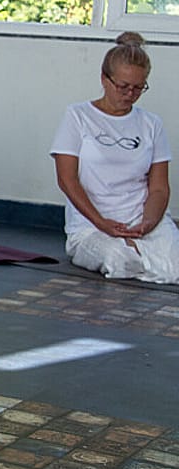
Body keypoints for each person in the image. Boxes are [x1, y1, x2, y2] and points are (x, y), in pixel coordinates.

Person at [50, 32, 179, 283]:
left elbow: (160, 188)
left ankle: (143, 250)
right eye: (123, 86)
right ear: (104, 79)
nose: (130, 94)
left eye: (138, 88)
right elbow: (67, 180)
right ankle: (139, 254)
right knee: (118, 260)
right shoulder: (77, 116)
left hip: (141, 221)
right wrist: (102, 223)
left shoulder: (152, 124)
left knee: (175, 264)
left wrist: (148, 223)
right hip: (91, 227)